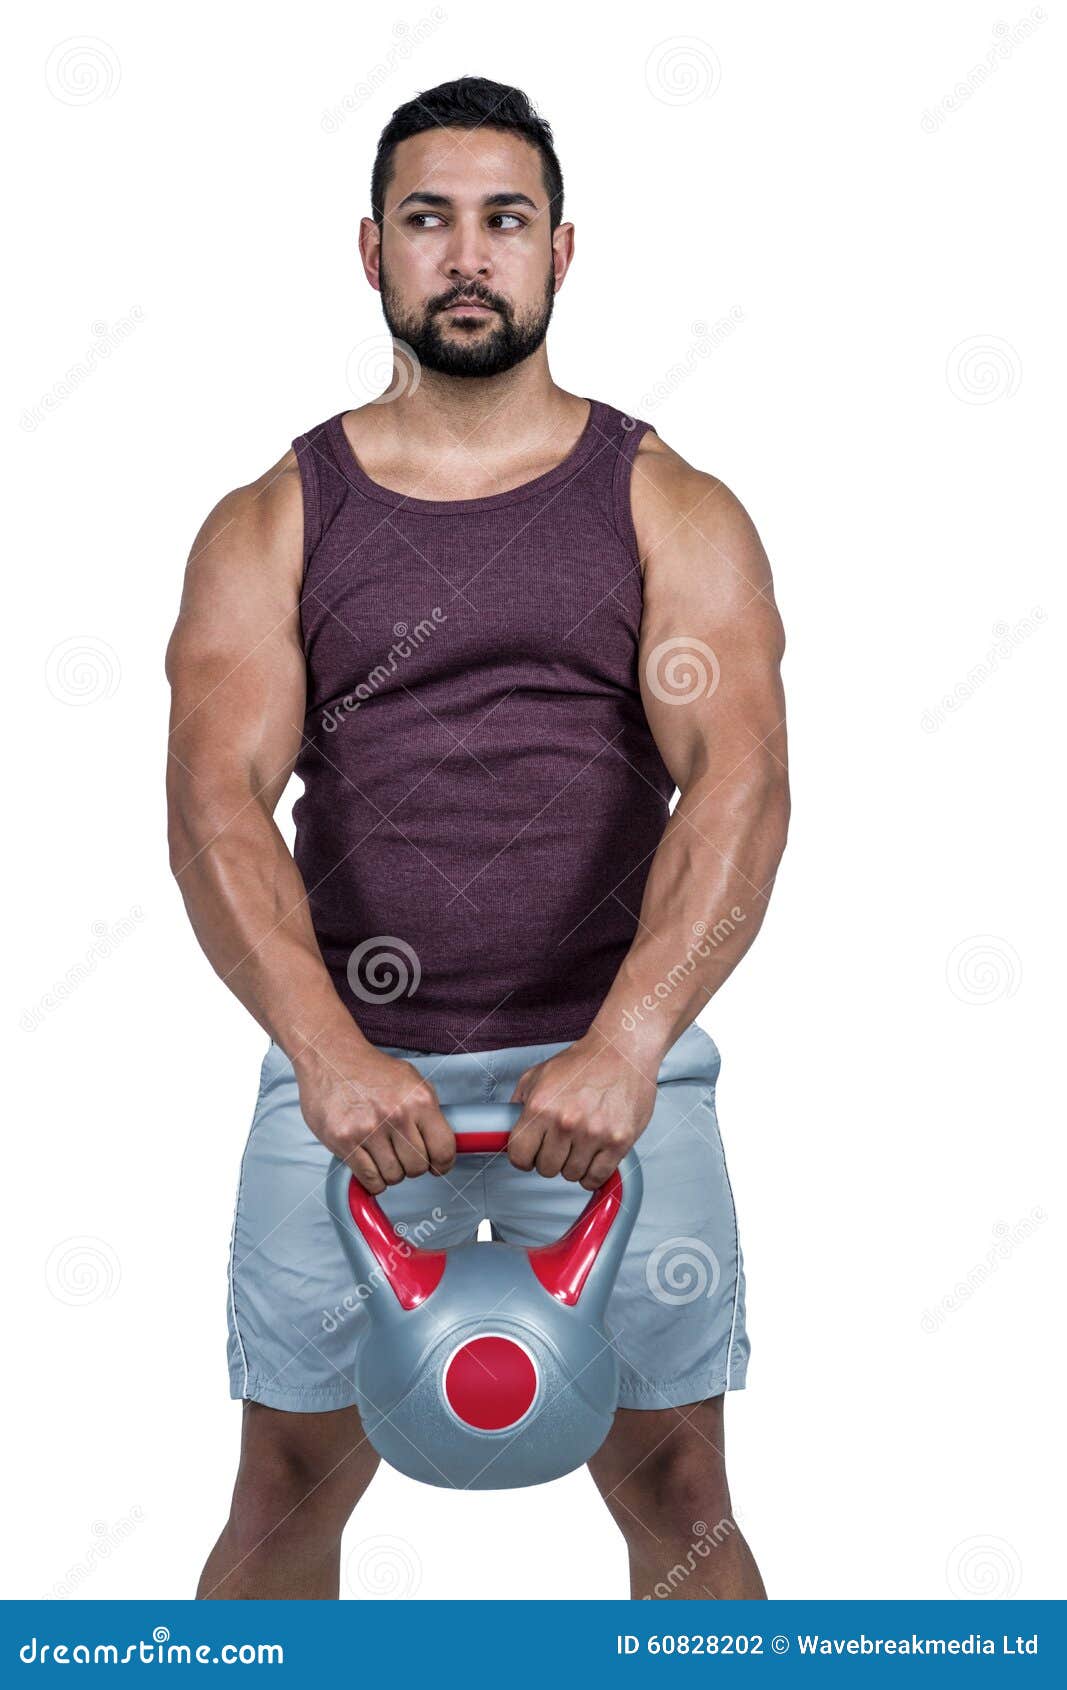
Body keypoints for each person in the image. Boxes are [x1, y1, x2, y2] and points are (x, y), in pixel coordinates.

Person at [166, 75, 789, 1601]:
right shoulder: (272, 518)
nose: (465, 255)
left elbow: (742, 787)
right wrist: (325, 1053)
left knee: (685, 1488)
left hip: (618, 1086)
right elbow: (213, 807)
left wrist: (632, 1041)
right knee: (280, 1492)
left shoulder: (671, 504)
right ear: (369, 251)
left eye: (502, 221)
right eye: (427, 220)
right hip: (351, 1084)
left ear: (560, 252)